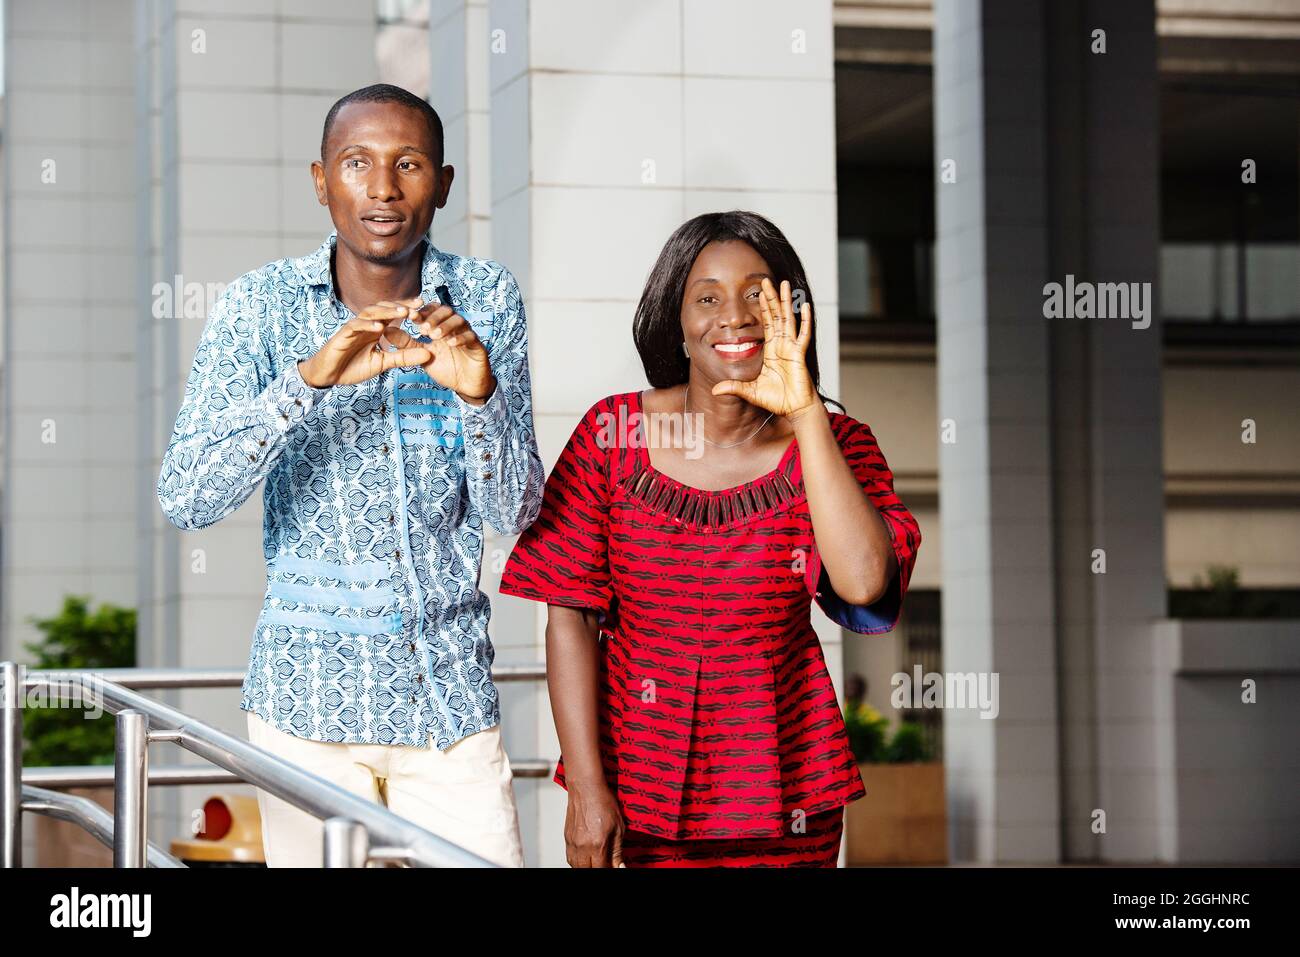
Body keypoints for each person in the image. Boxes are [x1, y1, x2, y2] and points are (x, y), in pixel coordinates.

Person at [157, 84, 543, 867]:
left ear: (443, 183)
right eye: (357, 163)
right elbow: (186, 494)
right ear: (321, 180)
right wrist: (308, 380)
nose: (383, 188)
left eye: (409, 164)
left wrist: (480, 396)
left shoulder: (486, 298)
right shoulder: (259, 307)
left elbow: (517, 511)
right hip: (306, 710)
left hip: (448, 704)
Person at [498, 210, 921, 867]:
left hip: (789, 783)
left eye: (757, 294)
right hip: (638, 785)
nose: (736, 316)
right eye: (707, 298)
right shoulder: (612, 436)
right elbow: (570, 617)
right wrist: (585, 787)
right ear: (677, 319)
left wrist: (807, 412)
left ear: (790, 312)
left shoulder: (839, 444)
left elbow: (864, 582)